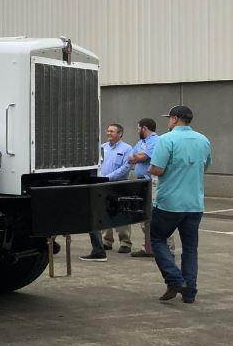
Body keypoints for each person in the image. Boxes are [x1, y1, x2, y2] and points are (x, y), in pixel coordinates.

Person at [148, 105, 211, 304]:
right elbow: (205, 167)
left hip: (170, 202)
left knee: (157, 239)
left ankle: (175, 279)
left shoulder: (167, 139)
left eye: (169, 118)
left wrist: (150, 167)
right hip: (194, 203)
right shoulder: (203, 140)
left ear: (175, 119)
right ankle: (190, 291)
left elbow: (157, 169)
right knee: (190, 248)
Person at [108, 118, 168, 257]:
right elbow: (132, 157)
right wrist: (138, 157)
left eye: (138, 128)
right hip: (141, 183)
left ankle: (165, 248)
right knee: (144, 216)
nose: (137, 131)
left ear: (144, 128)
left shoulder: (156, 141)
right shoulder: (141, 142)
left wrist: (139, 157)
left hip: (152, 182)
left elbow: (140, 157)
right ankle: (148, 247)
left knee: (157, 215)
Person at [80, 123, 134, 261]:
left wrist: (109, 178)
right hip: (102, 184)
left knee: (121, 213)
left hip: (118, 184)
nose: (108, 133)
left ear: (120, 134)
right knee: (103, 212)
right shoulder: (102, 148)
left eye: (112, 131)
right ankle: (106, 241)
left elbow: (126, 168)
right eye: (108, 131)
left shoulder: (127, 149)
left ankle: (125, 242)